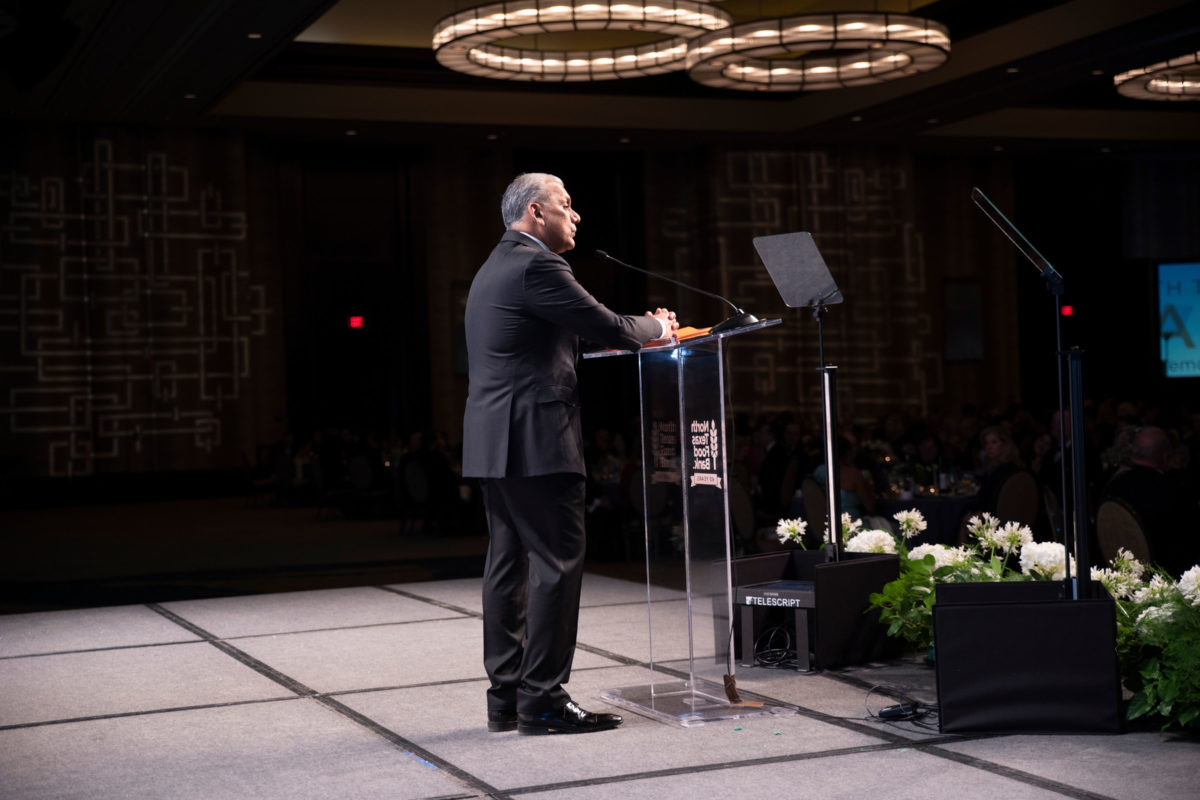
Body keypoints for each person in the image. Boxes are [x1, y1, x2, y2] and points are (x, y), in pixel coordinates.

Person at [462, 173, 678, 735]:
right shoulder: (539, 265)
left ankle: (507, 699)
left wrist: (631, 330)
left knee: (507, 567)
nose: (575, 215)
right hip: (536, 439)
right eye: (566, 204)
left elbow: (567, 333)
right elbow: (607, 324)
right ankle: (543, 701)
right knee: (556, 565)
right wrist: (658, 325)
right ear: (536, 212)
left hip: (494, 439)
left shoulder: (493, 266)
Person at [1105, 426, 1199, 578]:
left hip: (1118, 574)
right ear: (1166, 457)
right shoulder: (1173, 492)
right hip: (1166, 577)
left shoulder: (1113, 485)